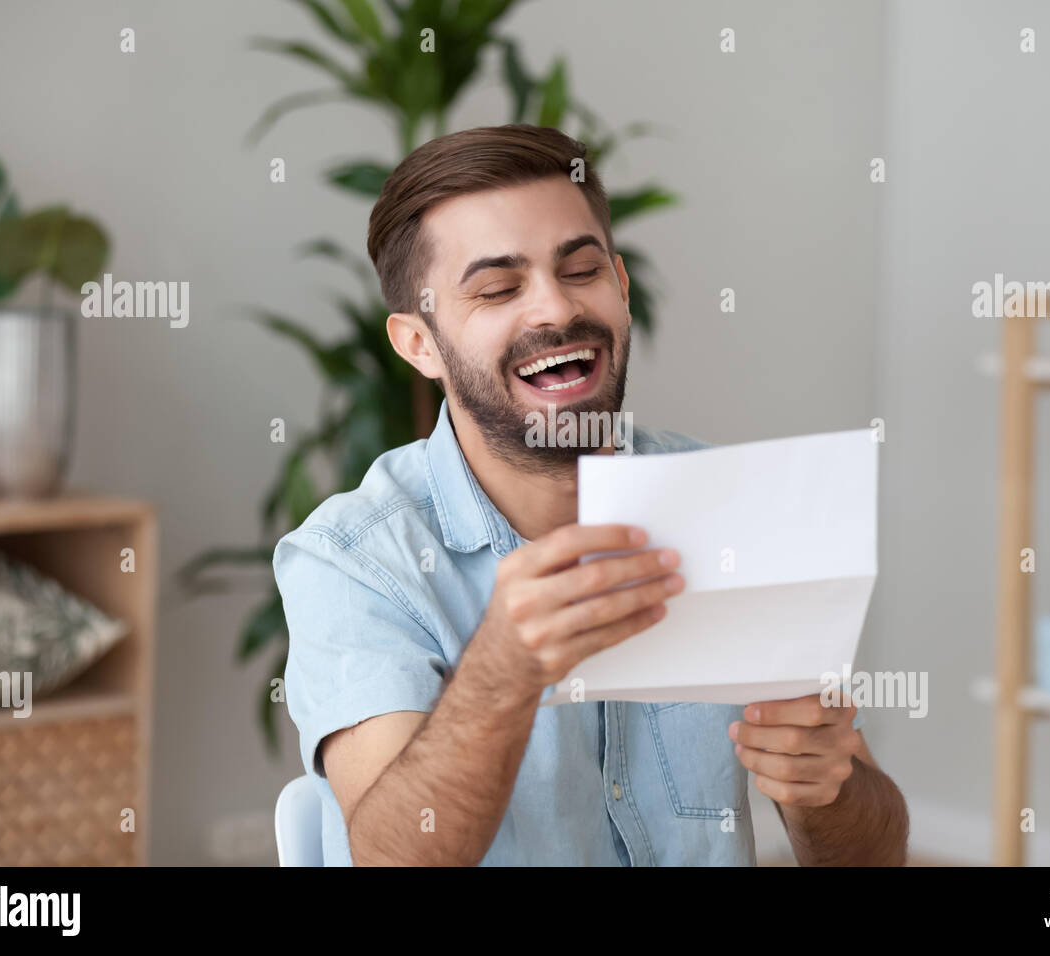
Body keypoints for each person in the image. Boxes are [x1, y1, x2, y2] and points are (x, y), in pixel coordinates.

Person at [272, 124, 908, 866]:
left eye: (580, 271)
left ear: (622, 289)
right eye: (499, 289)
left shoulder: (726, 506)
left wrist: (827, 788)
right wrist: (503, 669)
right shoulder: (354, 559)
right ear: (418, 344)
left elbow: (872, 856)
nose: (555, 310)